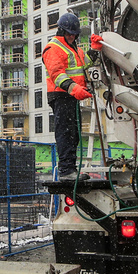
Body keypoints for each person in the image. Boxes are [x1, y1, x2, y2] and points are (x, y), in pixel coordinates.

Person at [43, 12, 103, 181]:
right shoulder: (53, 48)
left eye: (74, 34)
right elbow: (57, 74)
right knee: (66, 133)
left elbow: (85, 64)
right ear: (61, 31)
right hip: (61, 95)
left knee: (73, 134)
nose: (71, 36)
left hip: (70, 96)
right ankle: (66, 171)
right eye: (69, 33)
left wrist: (94, 50)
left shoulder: (74, 49)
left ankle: (70, 169)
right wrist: (74, 88)